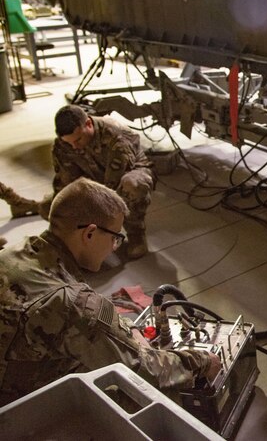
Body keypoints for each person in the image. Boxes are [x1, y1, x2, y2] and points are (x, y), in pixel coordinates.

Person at [0, 178, 220, 405]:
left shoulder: (15, 253)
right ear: (89, 233)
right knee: (143, 391)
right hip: (14, 410)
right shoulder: (74, 304)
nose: (114, 247)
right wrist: (203, 362)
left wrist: (126, 329)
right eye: (115, 238)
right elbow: (147, 371)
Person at [47, 104, 155, 260]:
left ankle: (136, 234)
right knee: (49, 208)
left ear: (88, 124)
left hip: (129, 173)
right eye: (70, 143)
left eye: (78, 140)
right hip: (95, 178)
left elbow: (112, 188)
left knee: (131, 186)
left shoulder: (115, 135)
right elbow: (65, 184)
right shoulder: (64, 143)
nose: (74, 146)